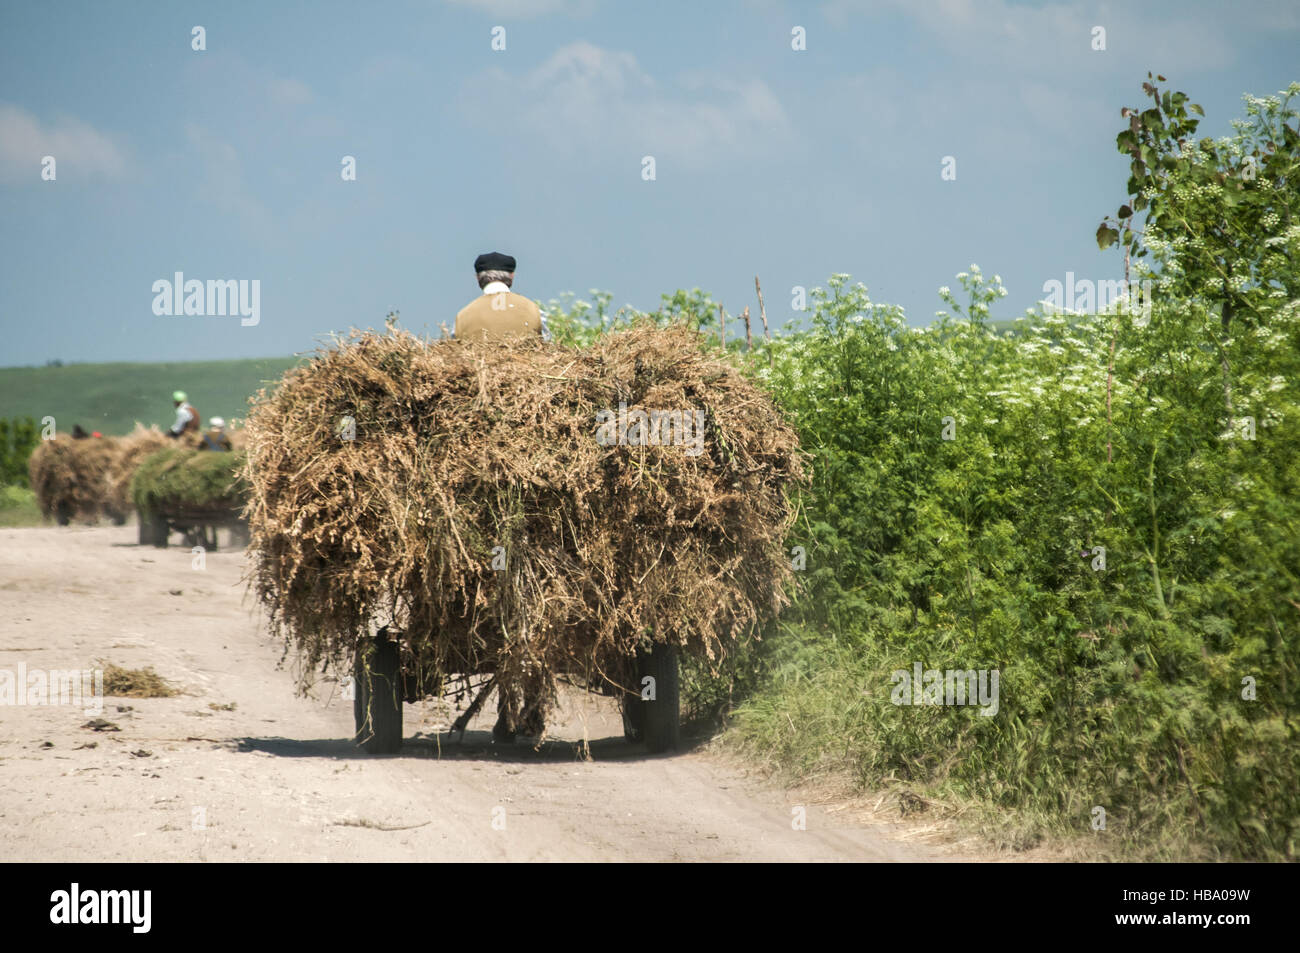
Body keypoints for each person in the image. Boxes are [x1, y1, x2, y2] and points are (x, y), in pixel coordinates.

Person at [453, 252, 550, 343]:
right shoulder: (534, 311)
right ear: (511, 276)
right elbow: (547, 346)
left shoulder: (462, 316)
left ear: (478, 277)